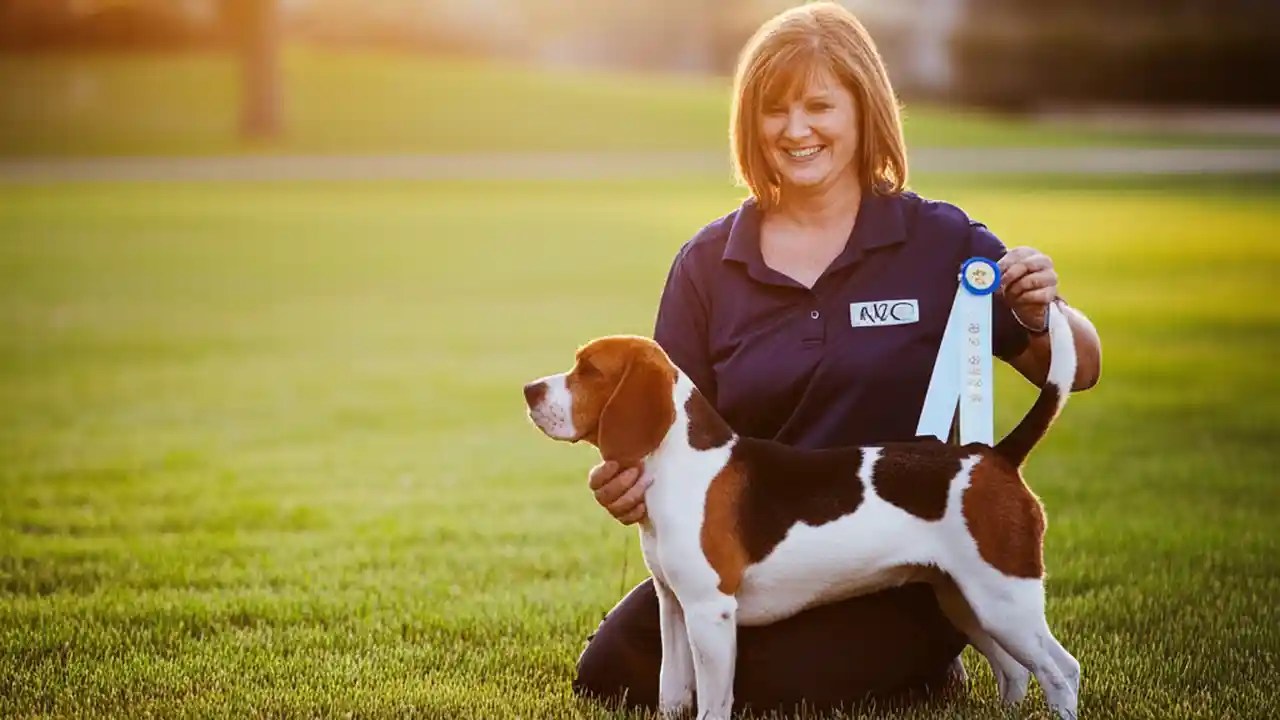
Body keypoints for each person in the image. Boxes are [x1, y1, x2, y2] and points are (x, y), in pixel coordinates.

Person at [573, 2, 1103, 714]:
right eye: (774, 110)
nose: (797, 130)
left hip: (896, 559)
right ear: (750, 125)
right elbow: (666, 430)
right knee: (611, 667)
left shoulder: (939, 240)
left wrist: (1043, 314)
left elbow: (1082, 366)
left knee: (780, 684)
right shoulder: (706, 263)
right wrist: (625, 482)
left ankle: (924, 665)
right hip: (755, 552)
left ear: (864, 110)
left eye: (819, 105)